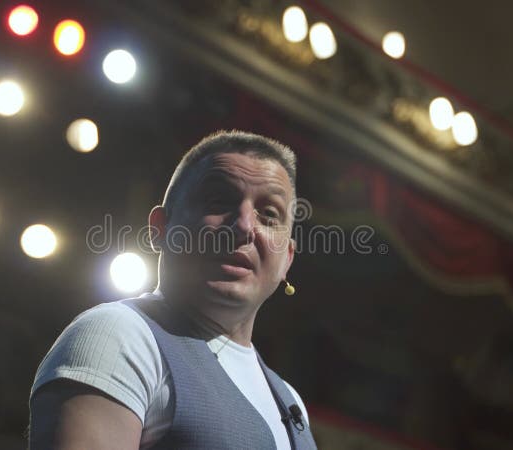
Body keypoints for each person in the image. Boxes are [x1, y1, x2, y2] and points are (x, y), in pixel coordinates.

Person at [28, 130, 317, 449]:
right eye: (219, 202)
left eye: (269, 215)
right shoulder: (117, 336)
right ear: (161, 227)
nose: (245, 226)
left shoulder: (289, 400)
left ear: (287, 258)